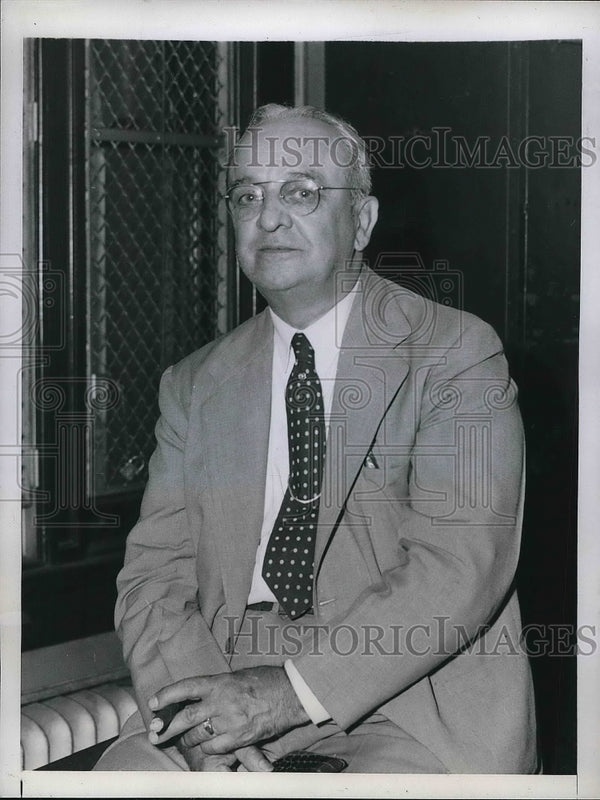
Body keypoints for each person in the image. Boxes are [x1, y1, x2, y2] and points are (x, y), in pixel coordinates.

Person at [96, 104, 537, 773]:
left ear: (361, 220)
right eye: (248, 196)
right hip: (223, 677)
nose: (269, 218)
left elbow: (459, 566)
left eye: (300, 192)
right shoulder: (193, 383)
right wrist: (196, 719)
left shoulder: (456, 353)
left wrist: (291, 692)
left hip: (407, 699)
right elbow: (153, 577)